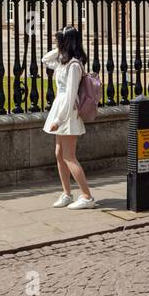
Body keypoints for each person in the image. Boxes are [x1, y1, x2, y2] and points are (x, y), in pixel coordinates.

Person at [42, 26, 97, 209]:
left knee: (69, 156)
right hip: (61, 108)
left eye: (60, 39)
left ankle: (87, 196)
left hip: (68, 112)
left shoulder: (74, 65)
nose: (57, 42)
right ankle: (67, 193)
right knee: (59, 153)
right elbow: (44, 59)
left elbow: (71, 94)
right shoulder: (63, 61)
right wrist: (60, 48)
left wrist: (59, 120)